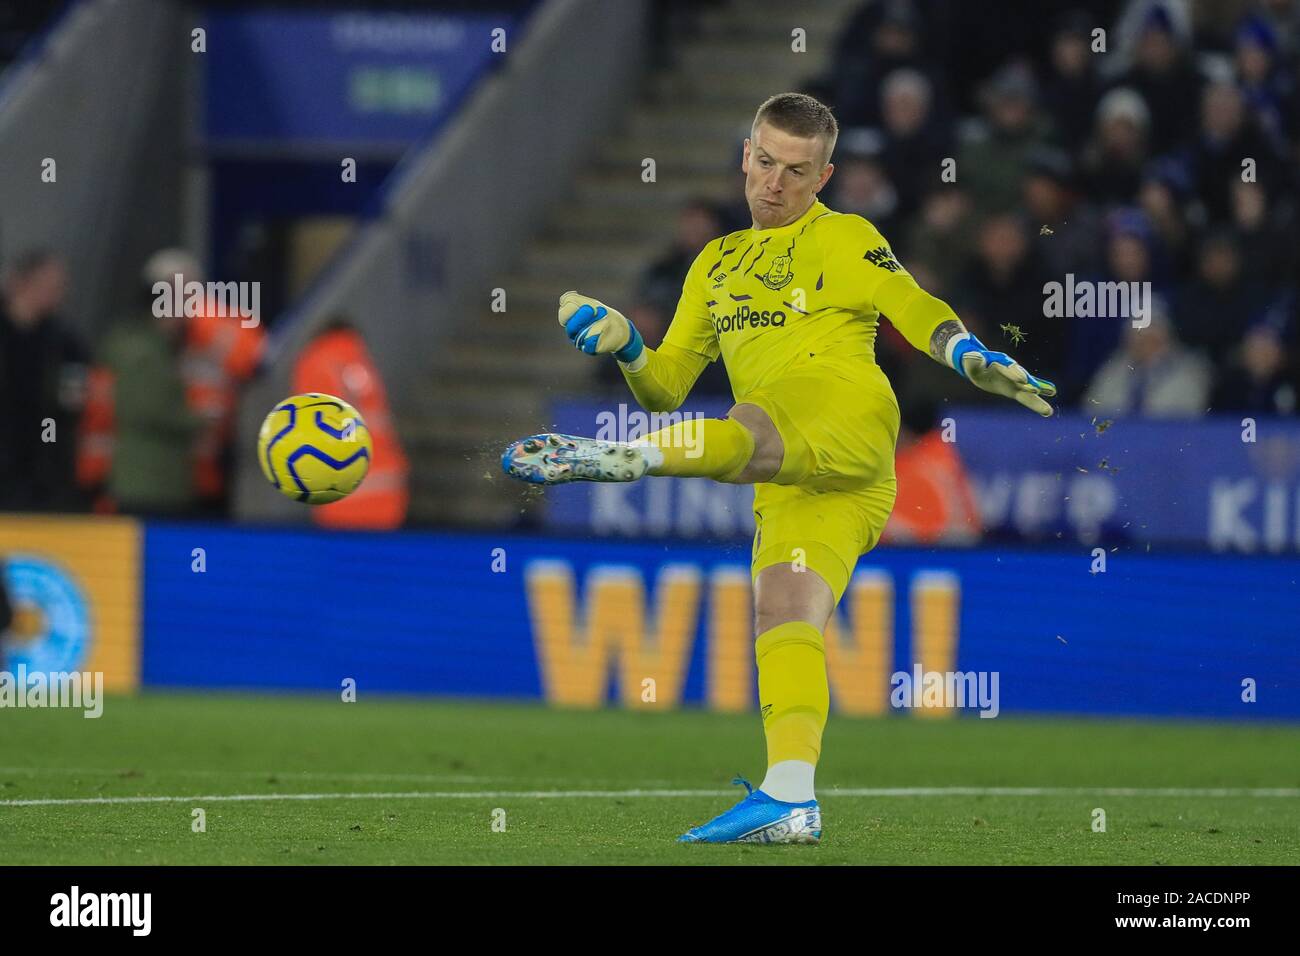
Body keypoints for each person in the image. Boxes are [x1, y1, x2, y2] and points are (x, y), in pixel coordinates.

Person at [500, 93, 1056, 844]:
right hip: (814, 481)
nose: (774, 183)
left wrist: (964, 350)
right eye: (764, 162)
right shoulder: (715, 264)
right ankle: (792, 797)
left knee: (752, 423)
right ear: (745, 156)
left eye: (796, 171)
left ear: (823, 176)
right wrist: (629, 344)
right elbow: (664, 387)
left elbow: (910, 302)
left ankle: (625, 456)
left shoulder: (846, 238)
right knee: (785, 615)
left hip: (848, 416)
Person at [0, 250, 88, 512]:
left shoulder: (67, 343)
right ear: (20, 282)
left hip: (42, 467)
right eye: (49, 285)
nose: (58, 294)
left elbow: (72, 403)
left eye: (60, 287)